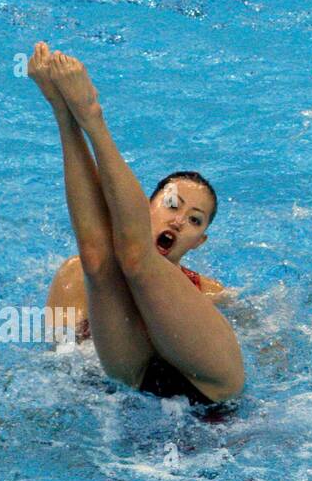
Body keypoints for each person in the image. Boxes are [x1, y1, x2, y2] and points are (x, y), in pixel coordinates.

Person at [29, 43, 243, 405]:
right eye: (172, 205)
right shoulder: (73, 277)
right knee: (98, 260)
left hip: (211, 391)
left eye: (194, 220)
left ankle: (91, 117)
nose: (178, 220)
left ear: (199, 241)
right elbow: (59, 366)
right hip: (136, 380)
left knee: (134, 257)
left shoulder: (210, 293)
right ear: (143, 206)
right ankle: (65, 116)